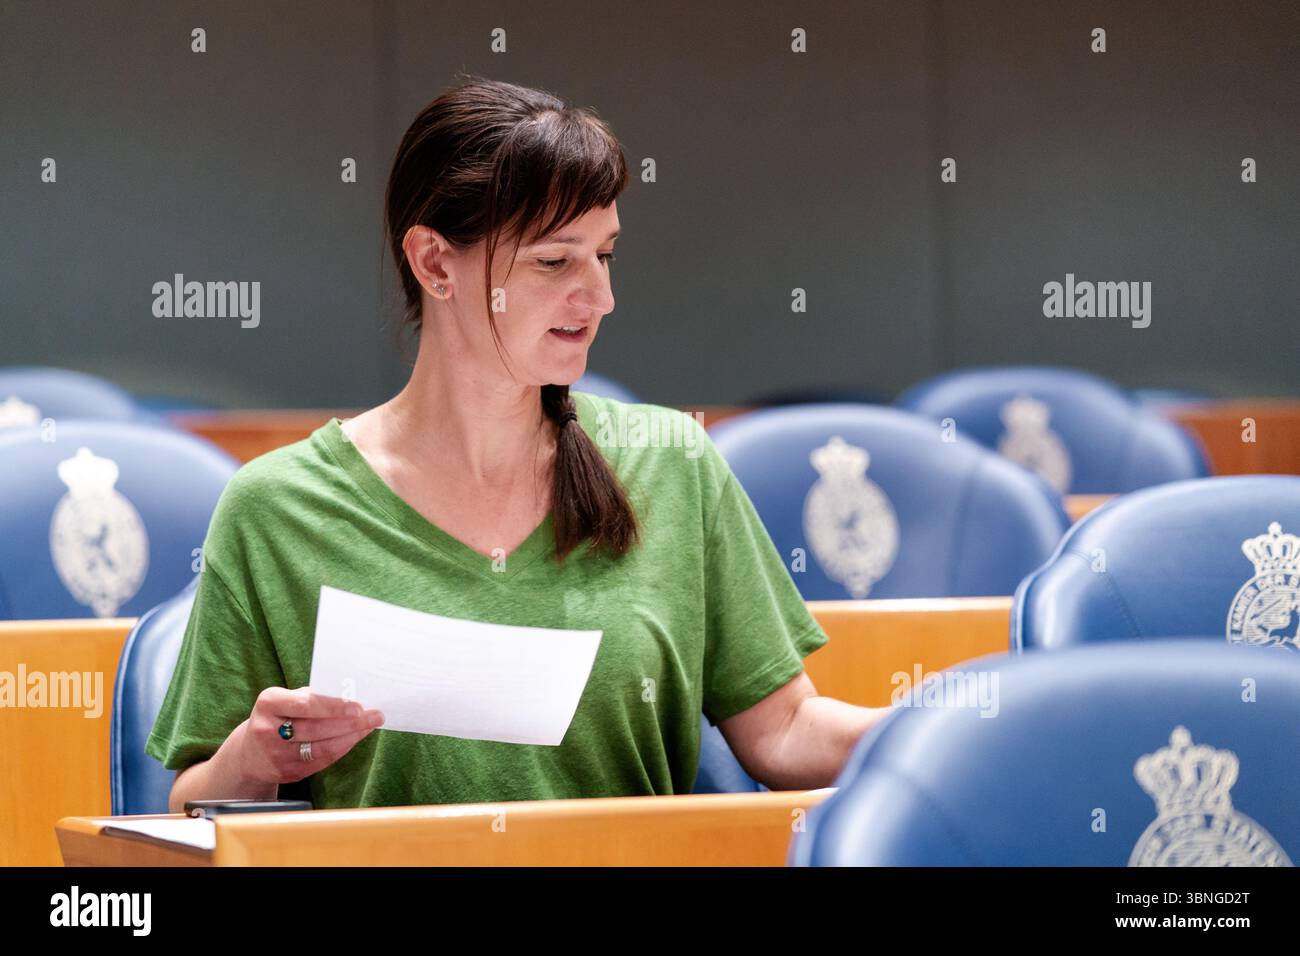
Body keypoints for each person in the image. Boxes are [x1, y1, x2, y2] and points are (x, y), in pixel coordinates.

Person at [147, 75, 889, 812]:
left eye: (606, 255)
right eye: (554, 261)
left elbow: (786, 732)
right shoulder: (276, 509)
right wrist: (255, 757)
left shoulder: (675, 462)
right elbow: (186, 817)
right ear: (436, 263)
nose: (600, 297)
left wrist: (939, 729)